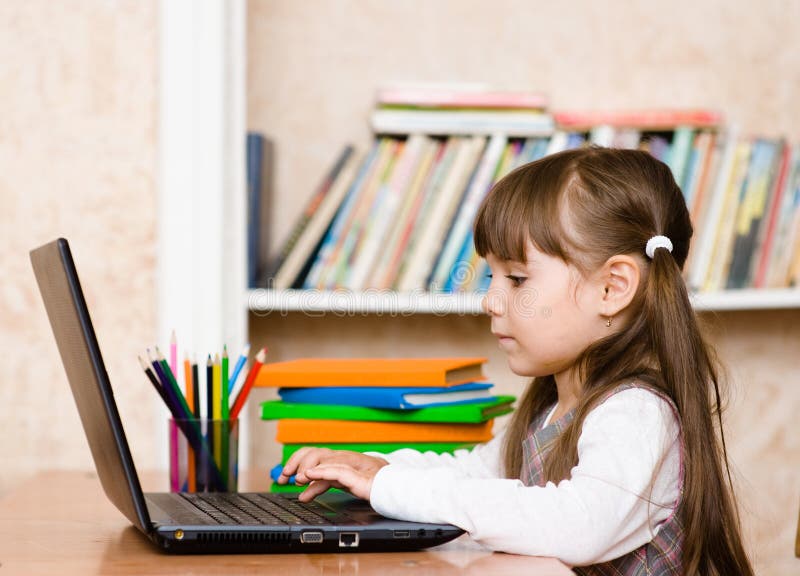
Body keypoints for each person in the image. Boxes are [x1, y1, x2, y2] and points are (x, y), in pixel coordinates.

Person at [278, 147, 754, 575]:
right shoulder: (551, 405)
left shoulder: (637, 414)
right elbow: (476, 474)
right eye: (491, 275)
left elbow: (575, 525)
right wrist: (378, 468)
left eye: (518, 278)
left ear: (612, 288)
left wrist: (391, 486)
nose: (490, 300)